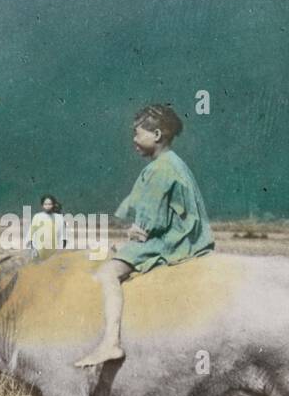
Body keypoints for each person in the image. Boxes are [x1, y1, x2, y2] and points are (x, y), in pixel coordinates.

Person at [74, 103, 213, 368]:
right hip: (183, 237)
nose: (134, 141)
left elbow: (153, 223)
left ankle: (110, 343)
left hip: (173, 243)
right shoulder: (174, 163)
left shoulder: (160, 169)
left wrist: (137, 231)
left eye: (138, 135)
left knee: (107, 273)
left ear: (157, 135)